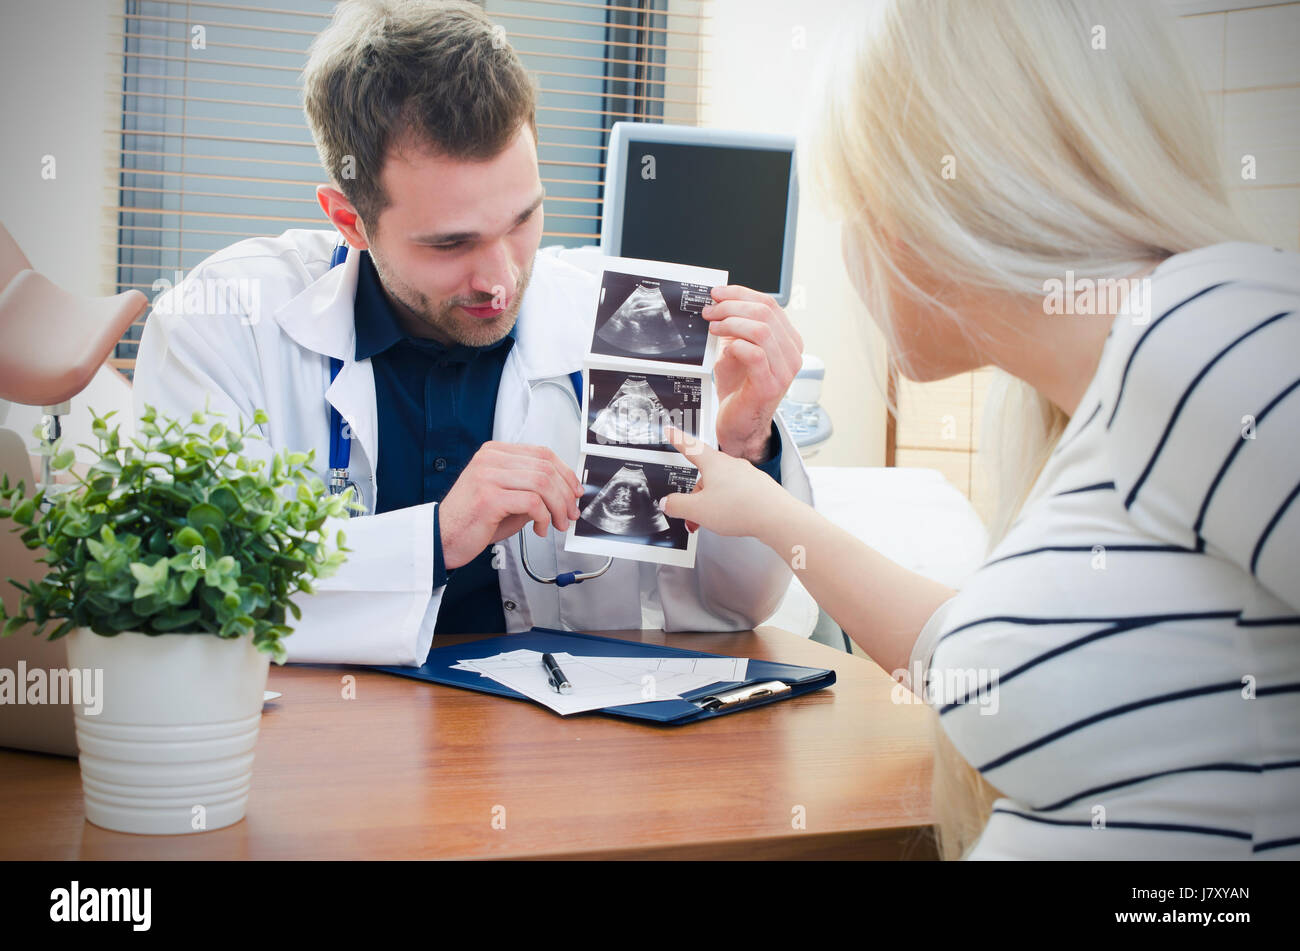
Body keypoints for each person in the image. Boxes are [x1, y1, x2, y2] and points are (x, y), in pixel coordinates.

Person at [660, 0, 1299, 860]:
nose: (855, 259)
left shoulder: (1201, 335)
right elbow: (967, 663)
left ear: (936, 201)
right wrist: (766, 508)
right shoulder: (1095, 412)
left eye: (860, 211)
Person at [132, 0, 812, 665]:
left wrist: (747, 442)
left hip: (549, 759)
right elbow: (186, 593)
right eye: (451, 242)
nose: (500, 279)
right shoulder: (223, 322)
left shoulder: (632, 319)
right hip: (319, 757)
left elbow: (731, 610)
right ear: (349, 219)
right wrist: (434, 538)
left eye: (522, 221)